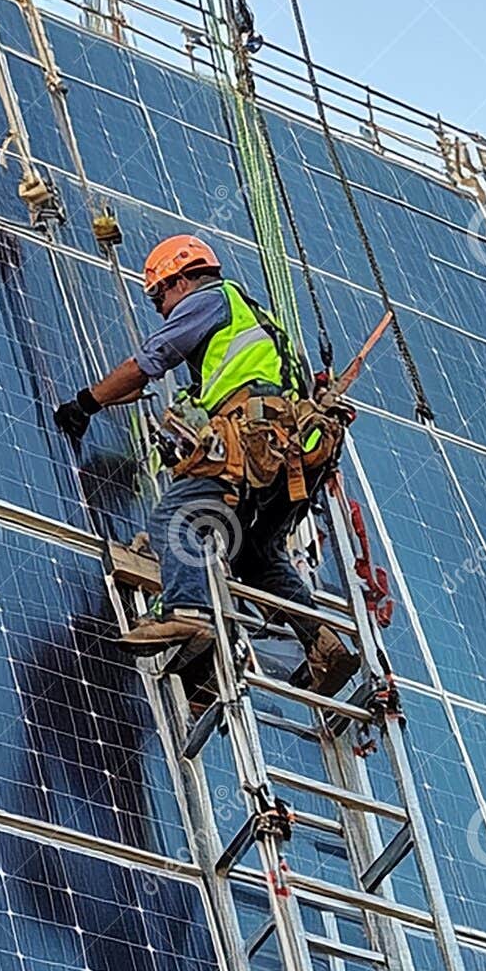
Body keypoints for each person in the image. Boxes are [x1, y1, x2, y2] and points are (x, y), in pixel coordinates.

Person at [53, 234, 358, 694]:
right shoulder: (260, 323)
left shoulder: (209, 300)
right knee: (254, 556)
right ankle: (323, 642)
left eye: (159, 295)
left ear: (182, 279)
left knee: (177, 517)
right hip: (292, 461)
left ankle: (188, 616)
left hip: (254, 444)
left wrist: (86, 404)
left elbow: (146, 363)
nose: (160, 309)